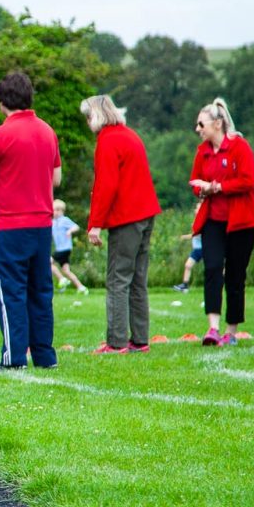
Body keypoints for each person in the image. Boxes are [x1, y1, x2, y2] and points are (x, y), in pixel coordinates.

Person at [0, 71, 61, 370]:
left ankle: (13, 357)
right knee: (40, 290)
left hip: (10, 224)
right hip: (42, 223)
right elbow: (57, 177)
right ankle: (44, 355)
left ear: (2, 102)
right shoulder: (48, 131)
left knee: (11, 290)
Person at [81, 93, 160, 353]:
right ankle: (140, 339)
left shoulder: (108, 141)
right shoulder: (129, 135)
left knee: (118, 279)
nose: (87, 121)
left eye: (88, 116)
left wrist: (95, 224)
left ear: (97, 115)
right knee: (137, 279)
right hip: (146, 214)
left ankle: (116, 342)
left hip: (127, 217)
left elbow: (106, 185)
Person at [189, 97, 254, 346]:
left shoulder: (239, 147)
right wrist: (201, 189)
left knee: (235, 275)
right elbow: (195, 181)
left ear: (217, 124)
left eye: (201, 124)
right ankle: (212, 328)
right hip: (213, 221)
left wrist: (216, 187)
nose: (198, 129)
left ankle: (231, 331)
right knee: (211, 269)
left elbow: (247, 181)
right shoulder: (203, 152)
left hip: (240, 222)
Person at [50, 201, 87, 294]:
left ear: (62, 211)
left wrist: (70, 231)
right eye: (54, 210)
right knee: (66, 270)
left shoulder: (64, 220)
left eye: (59, 210)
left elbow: (76, 226)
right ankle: (81, 287)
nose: (56, 212)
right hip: (60, 249)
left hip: (65, 248)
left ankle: (62, 279)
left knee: (48, 262)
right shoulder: (52, 222)